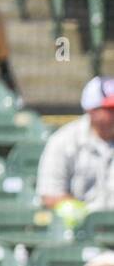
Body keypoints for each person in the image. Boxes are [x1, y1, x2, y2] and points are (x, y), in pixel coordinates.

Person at [37, 76, 114, 216]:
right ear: (92, 110)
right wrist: (83, 215)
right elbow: (50, 195)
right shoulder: (63, 141)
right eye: (110, 109)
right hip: (78, 231)